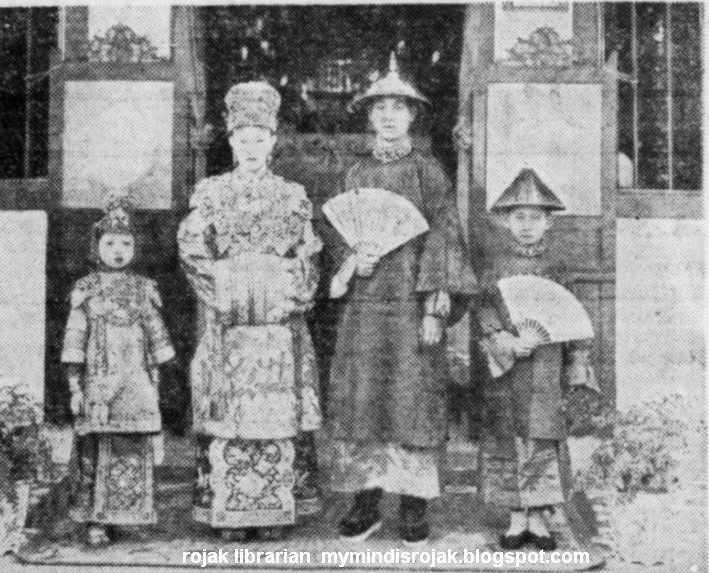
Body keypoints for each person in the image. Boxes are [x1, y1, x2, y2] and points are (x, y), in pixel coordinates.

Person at [326, 53, 478, 546]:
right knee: (364, 395)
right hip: (365, 305)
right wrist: (352, 262)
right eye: (380, 107)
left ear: (413, 115)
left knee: (412, 397)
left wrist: (438, 308)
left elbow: (446, 239)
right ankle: (365, 500)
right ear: (368, 116)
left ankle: (413, 505)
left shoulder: (429, 173)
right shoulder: (354, 174)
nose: (389, 115)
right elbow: (334, 237)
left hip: (412, 304)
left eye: (399, 107)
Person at [178, 81, 322, 541]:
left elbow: (308, 253)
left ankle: (276, 508)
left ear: (273, 142)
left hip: (279, 324)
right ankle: (229, 509)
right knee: (229, 414)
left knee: (278, 412)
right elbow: (191, 246)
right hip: (229, 321)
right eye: (244, 139)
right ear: (232, 142)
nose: (253, 147)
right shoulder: (211, 192)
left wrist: (286, 292)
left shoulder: (293, 194)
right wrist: (227, 287)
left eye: (261, 138)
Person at [474, 168, 600, 551]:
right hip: (507, 363)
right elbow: (484, 309)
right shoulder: (494, 267)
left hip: (546, 363)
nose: (527, 225)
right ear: (506, 220)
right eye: (518, 217)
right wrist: (504, 339)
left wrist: (577, 359)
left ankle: (540, 515)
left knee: (542, 432)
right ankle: (516, 514)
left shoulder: (559, 267)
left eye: (535, 217)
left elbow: (575, 316)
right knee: (507, 430)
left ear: (548, 221)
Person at [62, 194, 175, 546]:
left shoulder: (144, 290)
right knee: (96, 448)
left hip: (137, 381)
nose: (118, 250)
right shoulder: (86, 290)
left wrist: (156, 381)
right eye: (109, 243)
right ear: (96, 246)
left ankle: (130, 512)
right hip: (100, 382)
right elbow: (75, 341)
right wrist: (76, 388)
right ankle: (96, 521)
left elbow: (157, 340)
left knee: (133, 445)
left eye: (126, 243)